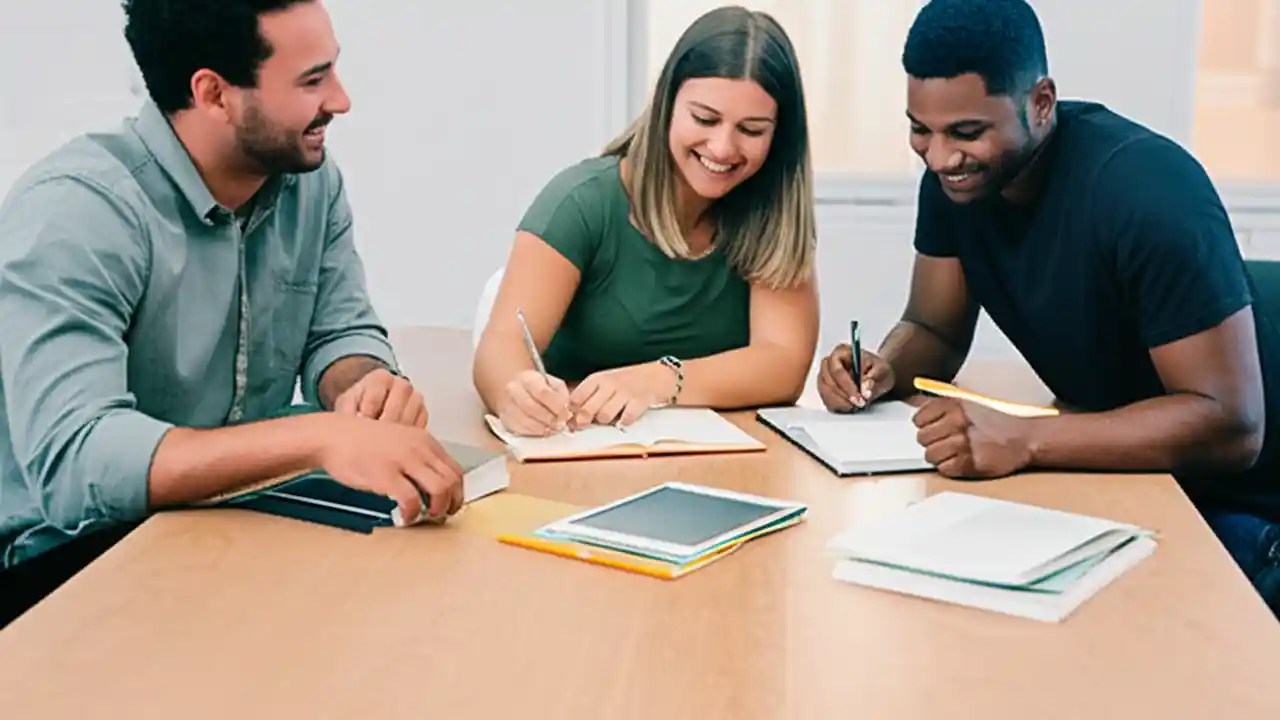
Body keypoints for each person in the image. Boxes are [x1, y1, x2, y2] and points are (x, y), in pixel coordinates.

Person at [0, 0, 463, 624]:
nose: (342, 100)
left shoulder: (310, 183)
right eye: (312, 79)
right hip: (67, 568)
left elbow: (341, 329)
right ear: (214, 93)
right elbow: (78, 463)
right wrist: (319, 437)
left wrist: (365, 386)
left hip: (232, 525)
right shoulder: (78, 213)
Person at [815, 0, 1280, 613]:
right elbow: (934, 325)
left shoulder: (1146, 191)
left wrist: (1029, 439)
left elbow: (1233, 427)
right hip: (1124, 479)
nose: (937, 157)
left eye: (966, 132)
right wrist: (881, 369)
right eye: (919, 129)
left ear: (1040, 102)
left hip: (1239, 501)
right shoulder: (957, 183)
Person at [473, 6, 819, 437]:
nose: (723, 147)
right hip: (574, 451)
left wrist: (659, 379)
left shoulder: (772, 214)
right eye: (705, 119)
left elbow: (783, 365)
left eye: (751, 130)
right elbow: (500, 348)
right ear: (667, 105)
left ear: (780, 135)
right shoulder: (581, 202)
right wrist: (515, 393)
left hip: (711, 461)